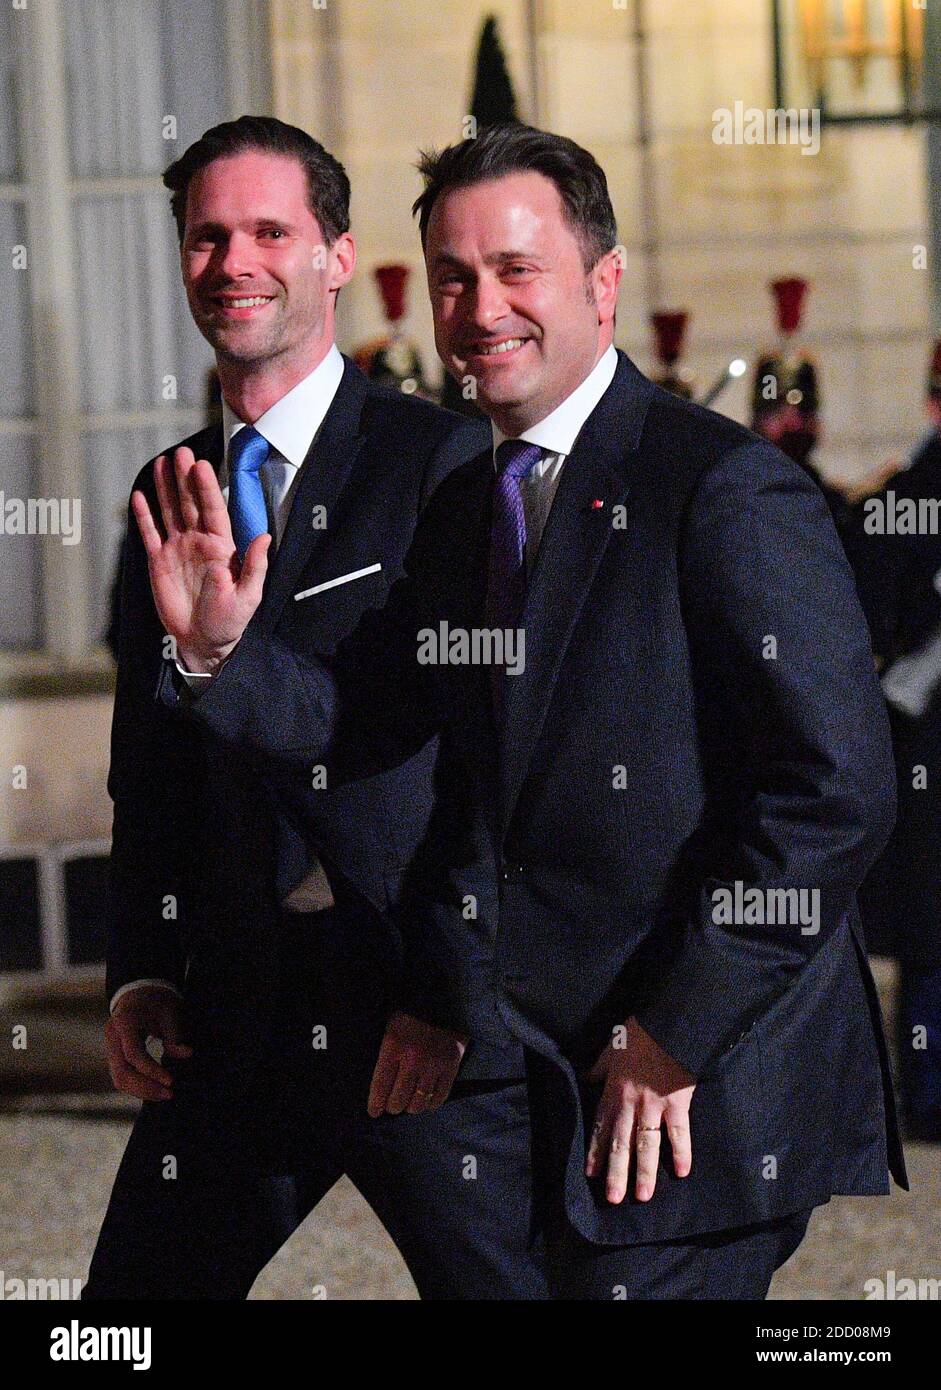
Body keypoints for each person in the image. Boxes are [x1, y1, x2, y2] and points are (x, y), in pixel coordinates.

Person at [135, 123, 907, 1300]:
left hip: (704, 1090)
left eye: (514, 269)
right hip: (553, 1084)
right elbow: (384, 738)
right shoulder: (472, 504)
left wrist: (674, 1030)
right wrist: (225, 654)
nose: (477, 305)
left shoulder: (721, 485)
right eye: (452, 277)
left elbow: (834, 794)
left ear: (604, 281)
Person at [83, 116, 547, 1301]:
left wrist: (449, 992)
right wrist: (140, 967)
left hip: (410, 1013)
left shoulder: (444, 464)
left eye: (269, 231)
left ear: (337, 256)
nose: (233, 260)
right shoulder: (162, 488)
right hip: (240, 1009)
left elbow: (486, 764)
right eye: (206, 237)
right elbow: (149, 763)